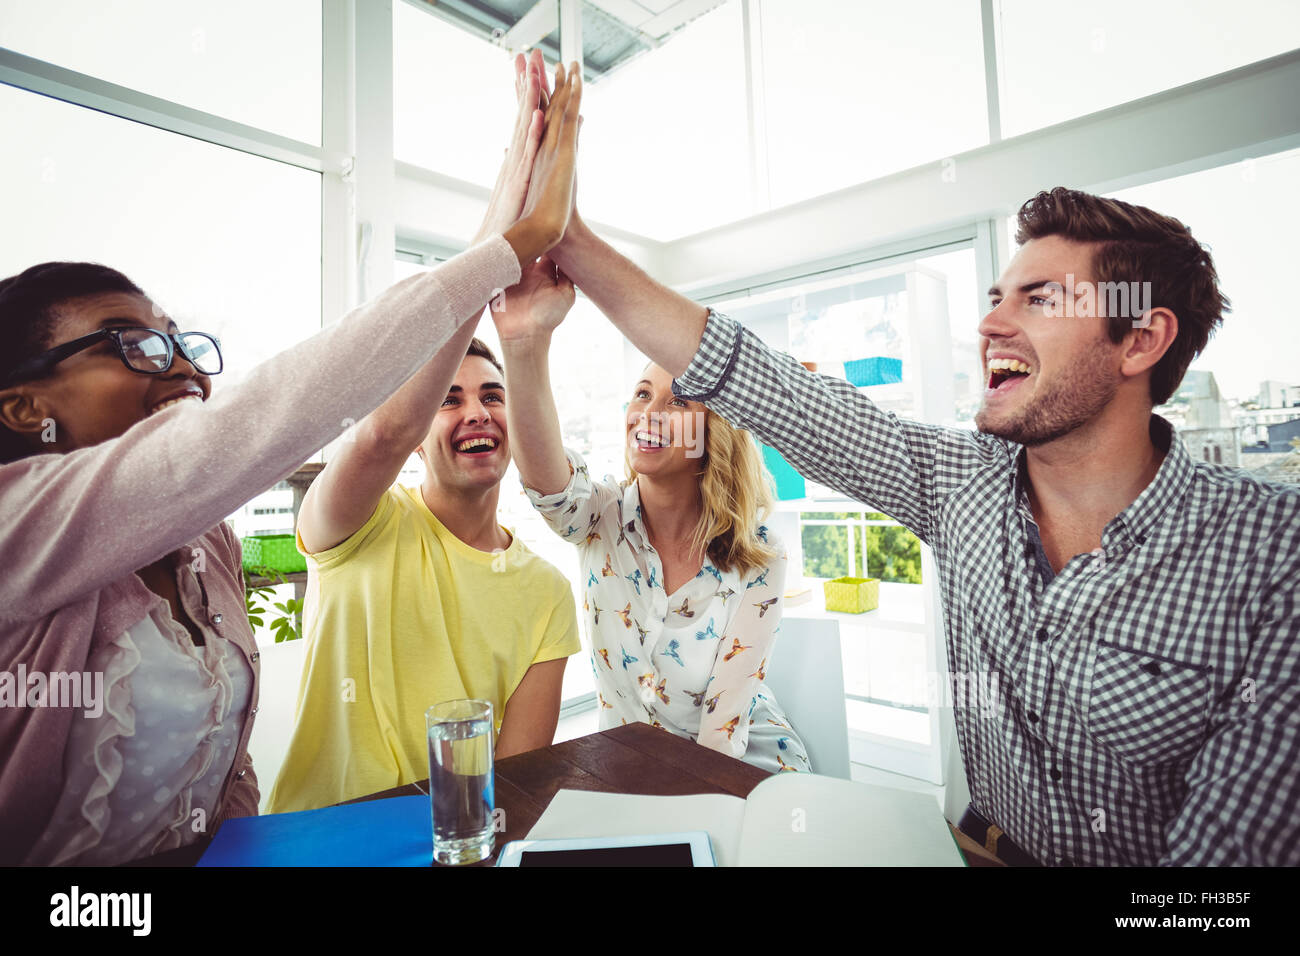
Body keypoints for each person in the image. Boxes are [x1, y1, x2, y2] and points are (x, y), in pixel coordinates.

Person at [517, 61, 1298, 865]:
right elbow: (765, 383)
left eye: (1037, 298)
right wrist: (567, 237)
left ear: (1140, 339)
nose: (990, 322)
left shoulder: (1272, 552)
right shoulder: (963, 485)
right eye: (997, 295)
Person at [0, 51, 582, 864]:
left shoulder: (208, 548)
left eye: (179, 343)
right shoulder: (14, 526)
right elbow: (295, 427)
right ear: (24, 406)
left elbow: (224, 771)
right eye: (134, 344)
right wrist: (509, 240)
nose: (179, 366)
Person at [488, 255, 810, 774]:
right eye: (642, 394)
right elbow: (547, 483)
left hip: (745, 766)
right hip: (629, 768)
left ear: (713, 434)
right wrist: (526, 343)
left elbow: (724, 728)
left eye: (678, 402)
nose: (649, 414)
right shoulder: (598, 516)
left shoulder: (760, 555)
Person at [264, 329, 581, 813]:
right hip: (317, 840)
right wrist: (489, 274)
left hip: (451, 843)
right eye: (447, 401)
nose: (477, 412)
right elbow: (378, 437)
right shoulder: (360, 524)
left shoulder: (548, 591)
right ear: (415, 435)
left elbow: (517, 782)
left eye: (492, 397)